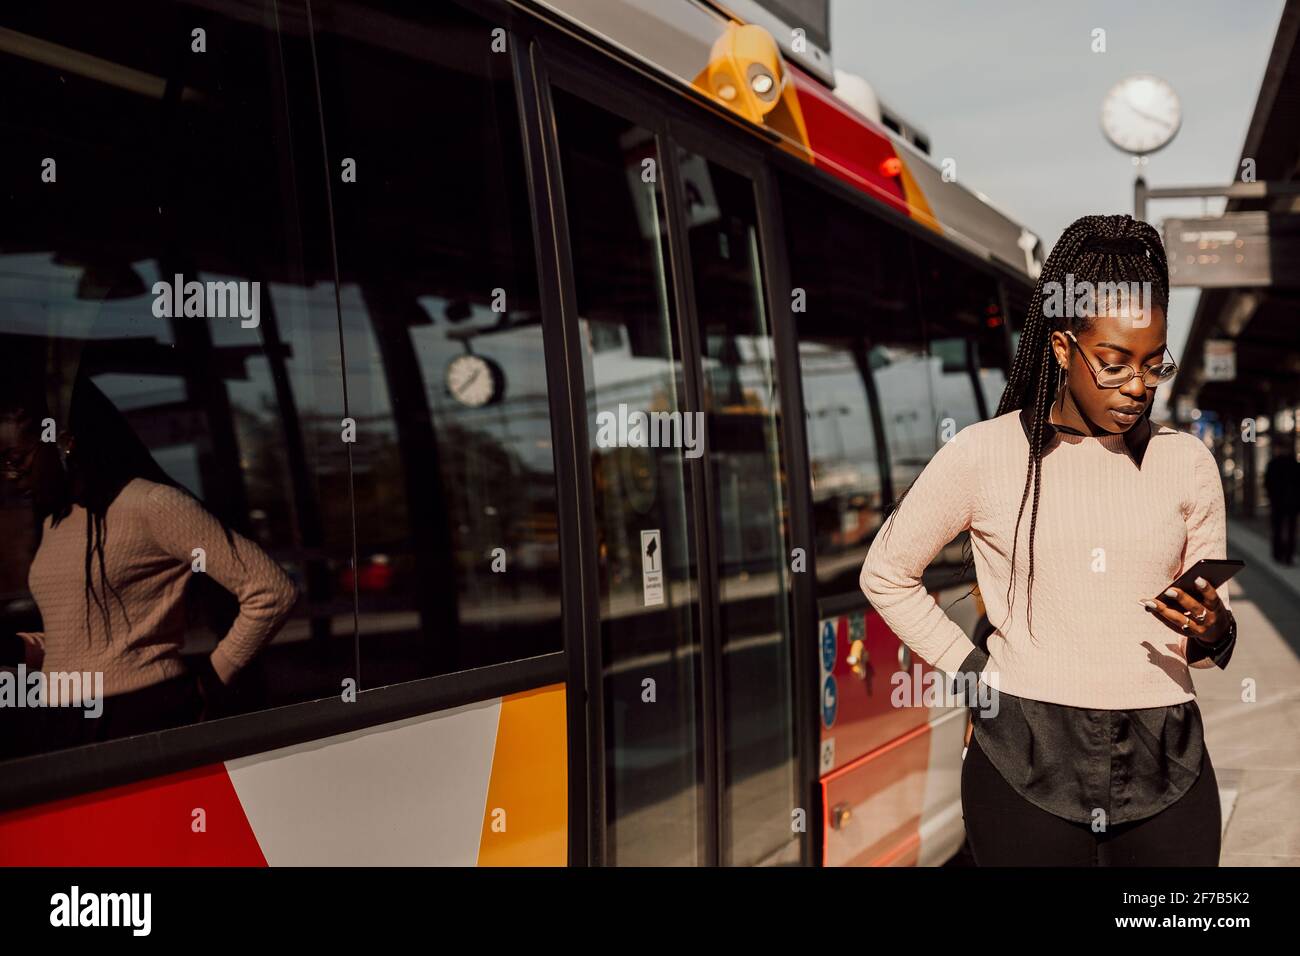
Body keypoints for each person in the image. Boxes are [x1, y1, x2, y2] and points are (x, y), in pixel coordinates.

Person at [861, 214, 1238, 866]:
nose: (1139, 385)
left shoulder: (1188, 463)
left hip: (1165, 749)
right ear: (1063, 349)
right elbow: (887, 573)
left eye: (1154, 363)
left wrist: (1212, 630)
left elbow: (1203, 652)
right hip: (1025, 747)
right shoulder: (984, 454)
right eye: (1115, 363)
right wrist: (978, 678)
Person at [0, 373, 298, 754]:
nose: (9, 476)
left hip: (138, 714)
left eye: (15, 459)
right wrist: (12, 648)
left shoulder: (152, 504)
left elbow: (271, 590)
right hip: (62, 722)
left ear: (64, 443)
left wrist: (210, 681)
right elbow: (83, 641)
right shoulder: (56, 521)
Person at [1263, 440, 1299, 565]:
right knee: (1289, 529)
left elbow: (1267, 483)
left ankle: (1279, 554)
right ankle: (1287, 556)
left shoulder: (1274, 463)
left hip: (1279, 502)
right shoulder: (1293, 463)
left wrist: (1271, 497)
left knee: (1279, 528)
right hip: (1291, 503)